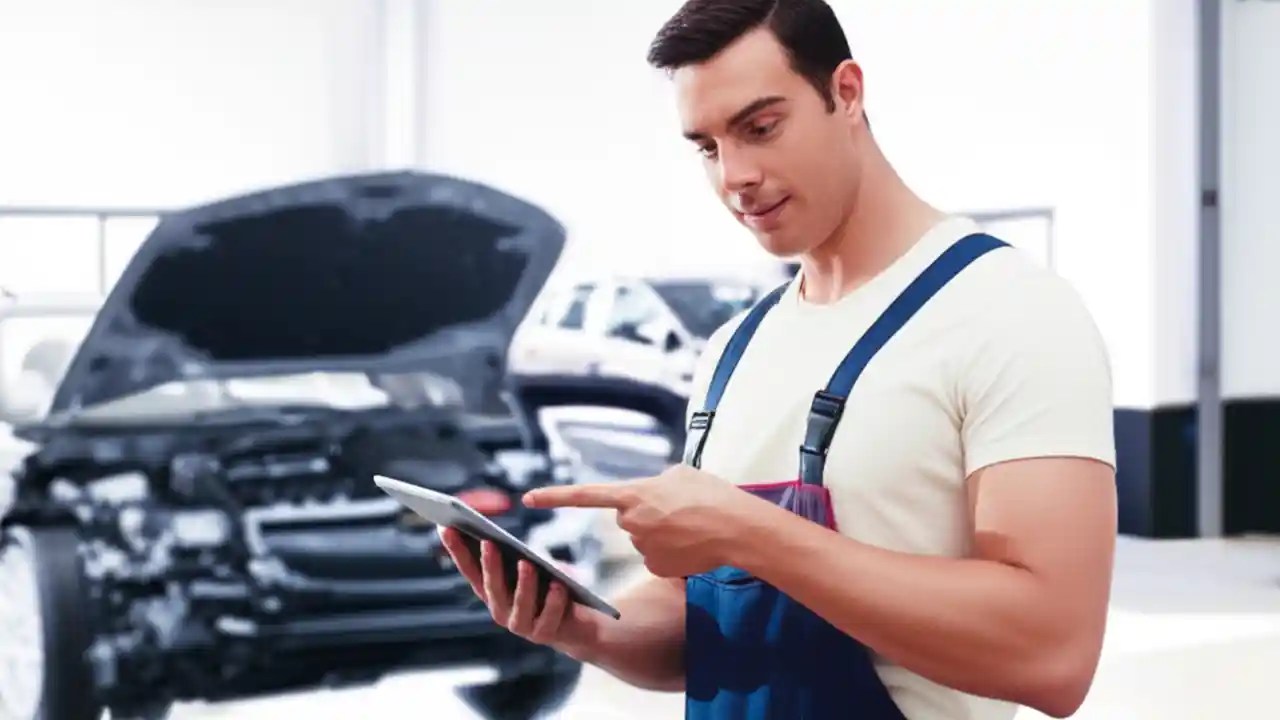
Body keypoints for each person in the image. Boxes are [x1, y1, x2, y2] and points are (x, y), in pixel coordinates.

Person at [440, 0, 1118, 718]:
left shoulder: (1010, 312)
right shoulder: (734, 349)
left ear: (846, 93)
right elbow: (706, 618)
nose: (734, 175)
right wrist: (585, 628)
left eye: (760, 128)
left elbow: (1052, 655)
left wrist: (748, 530)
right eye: (706, 147)